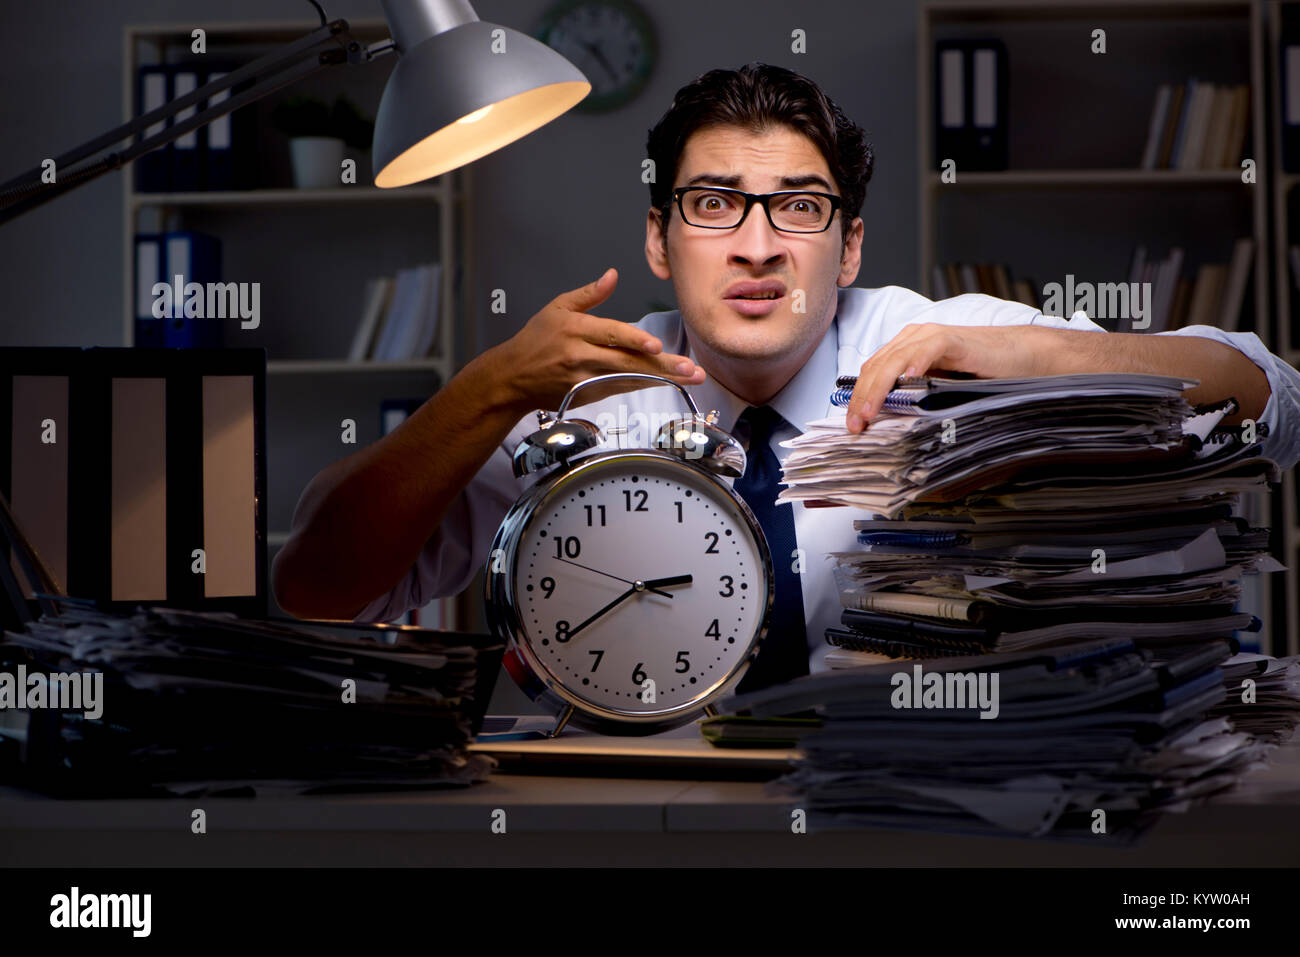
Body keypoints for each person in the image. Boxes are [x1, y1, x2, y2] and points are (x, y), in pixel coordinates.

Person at [272, 63, 1300, 689]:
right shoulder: (579, 393)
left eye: (798, 207)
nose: (757, 245)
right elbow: (315, 593)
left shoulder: (938, 338)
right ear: (661, 241)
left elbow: (1275, 402)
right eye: (715, 204)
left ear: (847, 248)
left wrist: (1042, 354)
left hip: (916, 821)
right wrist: (485, 390)